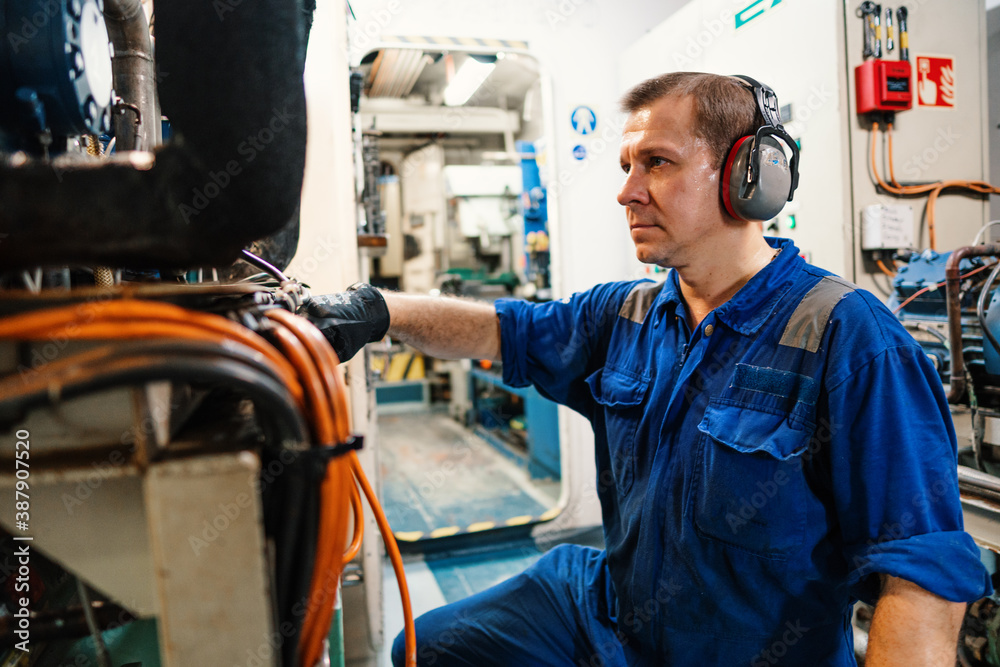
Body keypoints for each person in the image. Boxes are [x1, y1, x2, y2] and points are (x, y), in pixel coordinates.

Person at [307, 72, 993, 666]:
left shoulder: (849, 340)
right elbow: (501, 328)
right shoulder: (626, 315)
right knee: (424, 649)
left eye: (657, 163)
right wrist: (376, 310)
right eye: (626, 166)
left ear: (747, 177)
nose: (627, 193)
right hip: (612, 608)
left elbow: (921, 575)